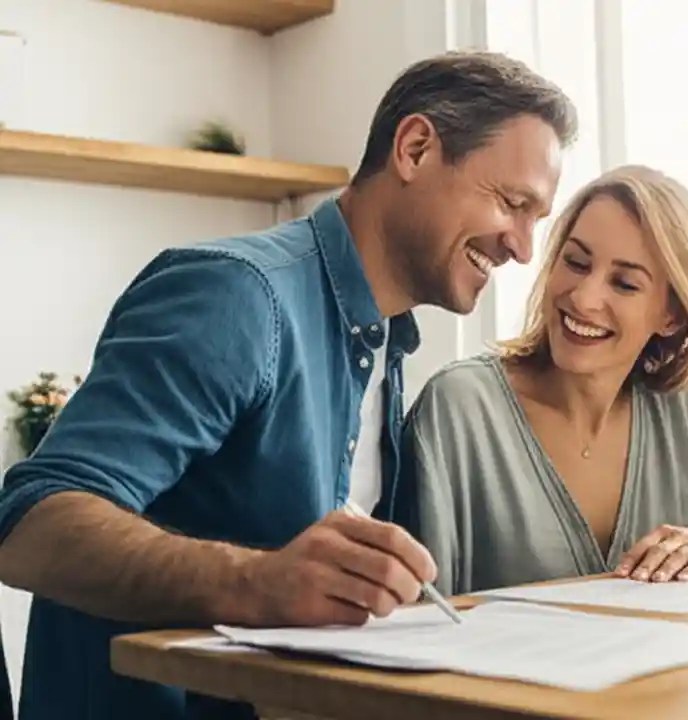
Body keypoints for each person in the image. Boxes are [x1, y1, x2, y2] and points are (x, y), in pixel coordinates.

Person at [0, 51, 576, 719]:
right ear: (415, 149)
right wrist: (254, 581)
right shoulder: (238, 295)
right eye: (513, 203)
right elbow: (29, 523)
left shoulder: (388, 343)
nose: (525, 248)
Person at [394, 165, 688, 597]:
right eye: (577, 263)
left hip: (661, 695)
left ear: (670, 314)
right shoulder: (460, 408)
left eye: (624, 284)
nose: (583, 298)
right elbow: (413, 612)